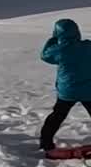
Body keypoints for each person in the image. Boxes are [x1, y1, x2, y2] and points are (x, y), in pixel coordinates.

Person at [38, 18, 91, 151]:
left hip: (68, 91)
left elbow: (45, 55)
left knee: (57, 116)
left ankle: (45, 142)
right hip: (88, 90)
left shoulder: (59, 50)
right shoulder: (87, 46)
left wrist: (53, 39)